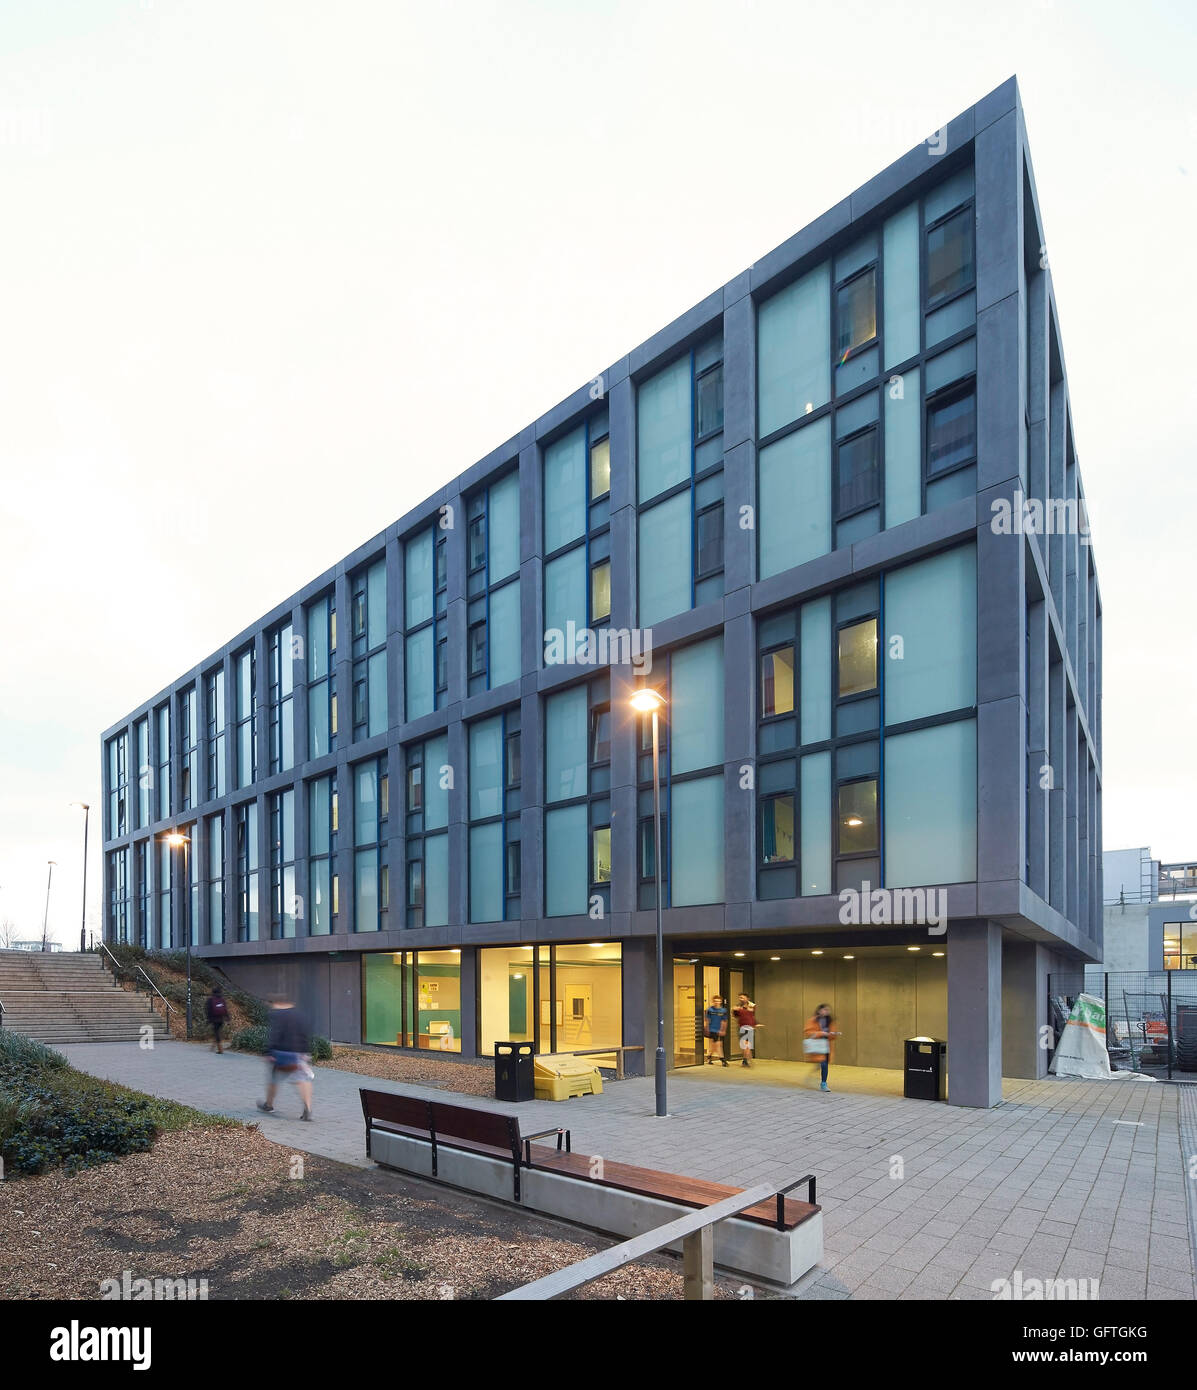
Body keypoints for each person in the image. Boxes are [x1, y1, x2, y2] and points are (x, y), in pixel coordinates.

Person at [257, 994, 314, 1121]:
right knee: (303, 1080)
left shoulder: (277, 1015)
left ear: (277, 1003)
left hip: (281, 1053)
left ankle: (269, 1105)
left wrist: (269, 1052)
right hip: (298, 1053)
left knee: (274, 1079)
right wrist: (305, 1052)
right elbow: (305, 1034)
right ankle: (308, 1109)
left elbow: (275, 1034)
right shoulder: (300, 1015)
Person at [804, 1003, 840, 1092]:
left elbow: (833, 1034)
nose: (827, 1011)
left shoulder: (830, 1021)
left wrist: (832, 1034)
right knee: (823, 1064)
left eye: (828, 1010)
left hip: (826, 1046)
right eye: (825, 1009)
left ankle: (823, 1083)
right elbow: (807, 1032)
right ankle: (822, 1082)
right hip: (817, 1045)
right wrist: (821, 1033)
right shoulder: (813, 1020)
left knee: (824, 1064)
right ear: (819, 1010)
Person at [732, 993, 758, 1068]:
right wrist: (734, 1011)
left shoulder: (752, 1005)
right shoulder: (738, 1006)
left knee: (747, 1045)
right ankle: (745, 1060)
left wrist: (755, 1024)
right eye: (740, 998)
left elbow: (751, 1015)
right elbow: (736, 1016)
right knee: (744, 1045)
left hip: (750, 1027)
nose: (741, 999)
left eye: (742, 998)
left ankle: (745, 1060)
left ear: (747, 998)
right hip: (742, 1027)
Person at [704, 994, 729, 1066]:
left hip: (719, 1030)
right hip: (712, 1029)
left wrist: (723, 1030)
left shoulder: (723, 1010)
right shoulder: (710, 1010)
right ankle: (722, 1060)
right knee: (718, 1044)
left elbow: (724, 1021)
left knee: (714, 1045)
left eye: (718, 1001)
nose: (717, 1002)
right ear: (713, 1001)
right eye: (715, 1001)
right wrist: (707, 1029)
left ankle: (709, 1057)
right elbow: (707, 1020)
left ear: (721, 1002)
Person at [205, 985, 229, 1054]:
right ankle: (213, 1046)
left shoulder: (210, 1000)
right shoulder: (222, 999)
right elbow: (225, 1010)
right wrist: (227, 1018)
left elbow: (208, 1010)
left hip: (214, 1019)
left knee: (216, 1033)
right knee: (217, 1032)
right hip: (221, 1019)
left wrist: (208, 1019)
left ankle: (220, 1049)